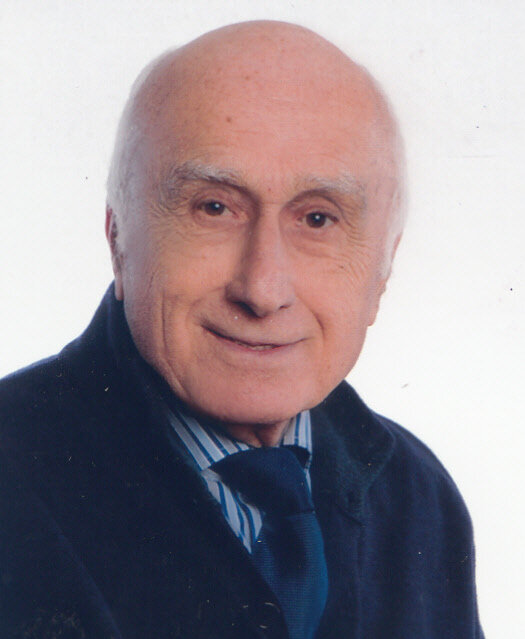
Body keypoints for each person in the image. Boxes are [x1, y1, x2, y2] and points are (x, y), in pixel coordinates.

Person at [0, 20, 483, 639]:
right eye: (215, 207)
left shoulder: (419, 498)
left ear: (383, 267)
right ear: (118, 239)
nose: (262, 289)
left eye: (317, 218)